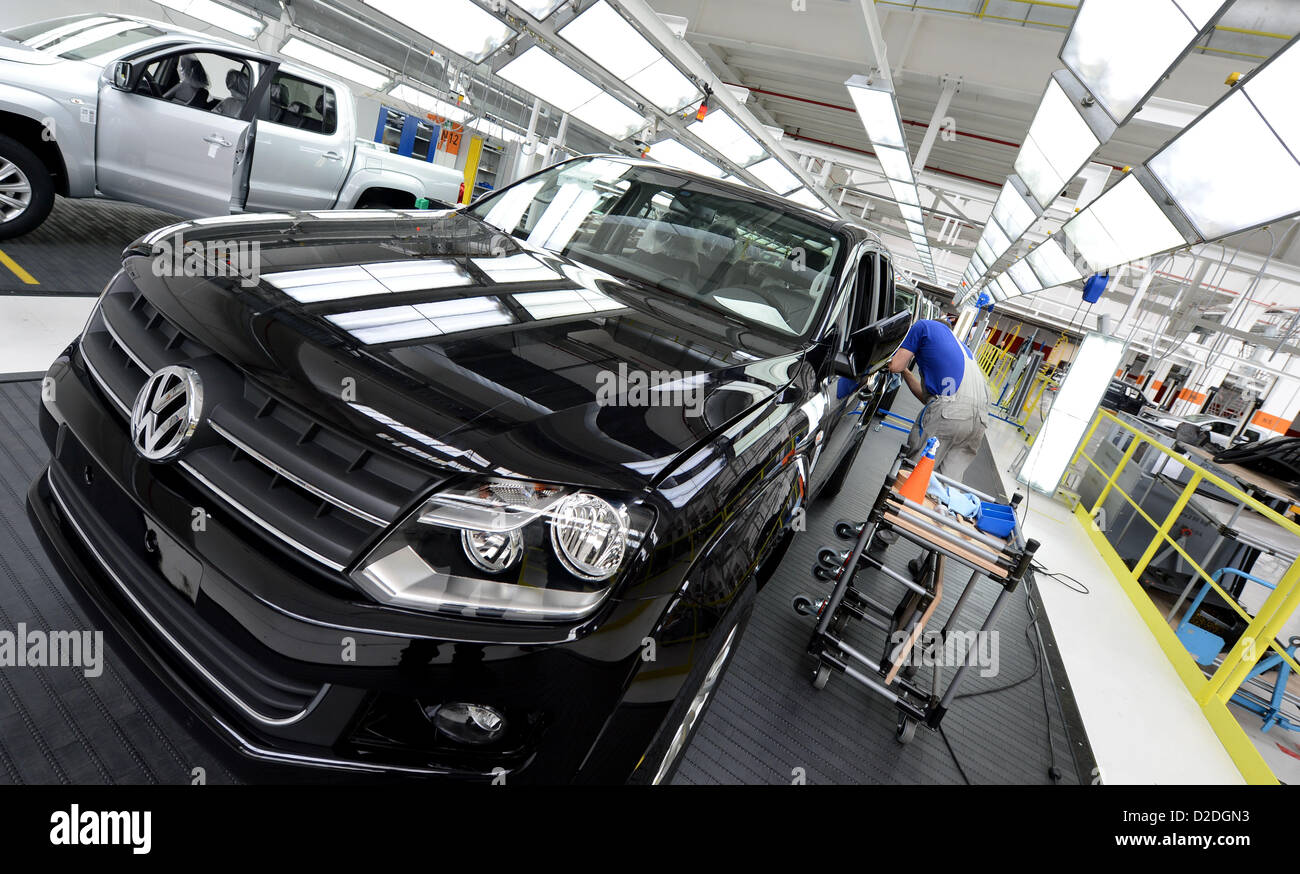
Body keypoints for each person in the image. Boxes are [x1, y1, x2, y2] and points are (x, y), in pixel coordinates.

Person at [887, 316, 989, 480]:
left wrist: (894, 362)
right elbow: (932, 401)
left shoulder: (922, 326)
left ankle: (898, 504)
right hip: (979, 422)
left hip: (949, 415)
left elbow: (895, 365)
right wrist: (905, 372)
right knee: (942, 487)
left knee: (914, 475)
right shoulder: (962, 348)